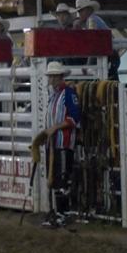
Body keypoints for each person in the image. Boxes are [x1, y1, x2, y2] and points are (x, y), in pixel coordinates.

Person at [38, 62, 81, 228]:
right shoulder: (55, 95)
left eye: (53, 76)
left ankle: (63, 214)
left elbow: (75, 117)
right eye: (50, 76)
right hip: (53, 143)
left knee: (62, 179)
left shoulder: (68, 94)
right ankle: (58, 213)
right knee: (55, 179)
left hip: (63, 142)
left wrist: (55, 127)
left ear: (59, 77)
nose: (51, 79)